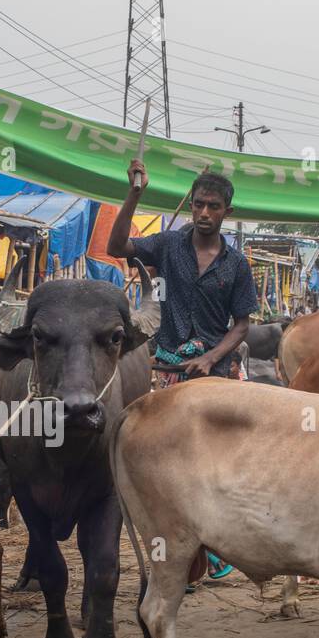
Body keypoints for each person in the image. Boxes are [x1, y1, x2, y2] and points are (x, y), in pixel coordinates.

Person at [106, 160, 255, 582]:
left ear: (227, 211)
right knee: (170, 469)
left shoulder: (236, 264)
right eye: (200, 204)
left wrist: (211, 357)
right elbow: (118, 246)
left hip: (216, 374)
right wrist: (134, 193)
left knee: (219, 466)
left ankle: (219, 545)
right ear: (191, 205)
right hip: (168, 368)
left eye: (214, 206)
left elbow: (242, 323)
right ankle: (181, 559)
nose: (205, 213)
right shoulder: (169, 245)